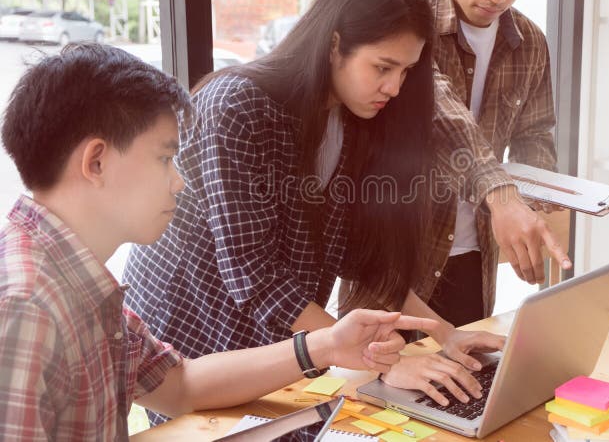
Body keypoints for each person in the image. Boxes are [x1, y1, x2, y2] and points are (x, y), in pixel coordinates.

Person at [122, 0, 505, 418]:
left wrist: (446, 334)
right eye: (383, 66)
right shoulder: (237, 107)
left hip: (270, 336)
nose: (395, 88)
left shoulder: (354, 117)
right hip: (189, 332)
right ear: (334, 44)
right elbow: (255, 277)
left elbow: (361, 257)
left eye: (406, 71)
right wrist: (374, 361)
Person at [0, 43, 437, 440]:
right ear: (96, 161)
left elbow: (178, 385)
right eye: (164, 158)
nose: (179, 182)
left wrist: (329, 344)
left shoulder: (76, 282)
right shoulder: (25, 305)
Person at [411, 0, 570, 328]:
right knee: (375, 385)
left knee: (466, 385)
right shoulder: (409, 22)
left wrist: (541, 205)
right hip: (397, 257)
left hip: (474, 255)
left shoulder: (530, 42)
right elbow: (441, 118)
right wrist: (501, 195)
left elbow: (535, 136)